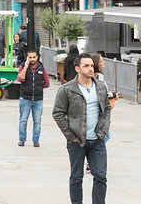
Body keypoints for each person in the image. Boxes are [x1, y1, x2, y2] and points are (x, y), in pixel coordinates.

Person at [52, 53, 110, 204]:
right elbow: (58, 113)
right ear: (77, 68)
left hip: (97, 140)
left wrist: (103, 130)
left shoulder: (101, 87)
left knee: (101, 176)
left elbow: (107, 109)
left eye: (91, 65)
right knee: (77, 177)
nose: (91, 68)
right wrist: (71, 136)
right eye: (86, 66)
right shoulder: (67, 89)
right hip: (77, 141)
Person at [16, 49, 50, 147]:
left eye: (34, 57)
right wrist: (26, 67)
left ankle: (36, 140)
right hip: (25, 98)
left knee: (37, 121)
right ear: (27, 58)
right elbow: (20, 78)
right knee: (23, 120)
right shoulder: (22, 67)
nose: (32, 59)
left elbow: (47, 83)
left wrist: (38, 87)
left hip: (38, 99)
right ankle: (22, 139)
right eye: (30, 57)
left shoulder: (42, 69)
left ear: (37, 57)